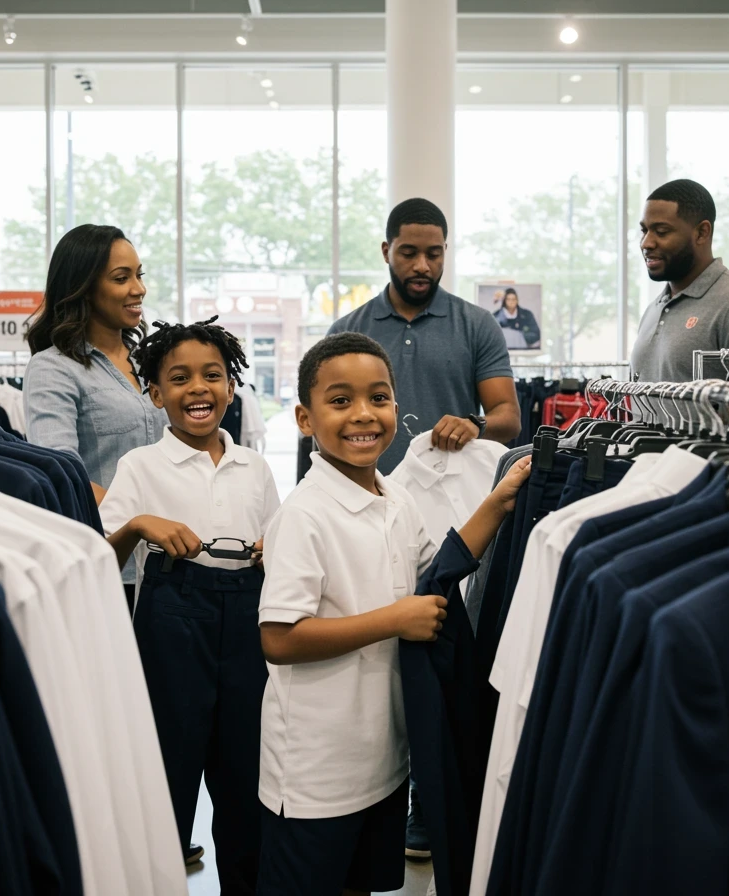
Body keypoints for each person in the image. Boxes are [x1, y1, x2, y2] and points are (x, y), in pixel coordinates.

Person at [255, 333, 532, 896]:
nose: (363, 415)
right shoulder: (304, 515)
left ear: (397, 408)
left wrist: (499, 502)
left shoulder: (396, 498)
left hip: (382, 763)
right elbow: (280, 638)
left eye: (378, 398)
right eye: (340, 401)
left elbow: (438, 571)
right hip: (315, 772)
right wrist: (394, 620)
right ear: (305, 418)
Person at [100, 317, 280, 889]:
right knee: (166, 770)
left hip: (248, 620)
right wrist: (138, 524)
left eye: (212, 375)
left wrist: (268, 551)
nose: (198, 388)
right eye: (179, 378)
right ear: (155, 393)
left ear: (232, 386)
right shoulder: (139, 466)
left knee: (245, 774)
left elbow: (282, 545)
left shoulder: (255, 466)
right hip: (172, 617)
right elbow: (101, 559)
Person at [24, 223, 167, 605]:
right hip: (110, 565)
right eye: (122, 278)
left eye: (139, 275)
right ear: (83, 287)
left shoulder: (148, 361)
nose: (138, 288)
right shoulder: (52, 368)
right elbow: (63, 473)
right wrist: (144, 520)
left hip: (172, 562)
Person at [328, 198, 521, 478]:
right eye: (408, 253)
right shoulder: (345, 332)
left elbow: (509, 418)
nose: (422, 266)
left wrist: (474, 424)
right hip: (363, 495)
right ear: (386, 251)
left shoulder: (477, 325)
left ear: (445, 251)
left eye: (433, 254)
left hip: (451, 495)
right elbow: (327, 423)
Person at [632, 179, 729, 382]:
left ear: (702, 232)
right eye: (644, 231)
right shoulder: (654, 309)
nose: (646, 243)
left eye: (661, 232)